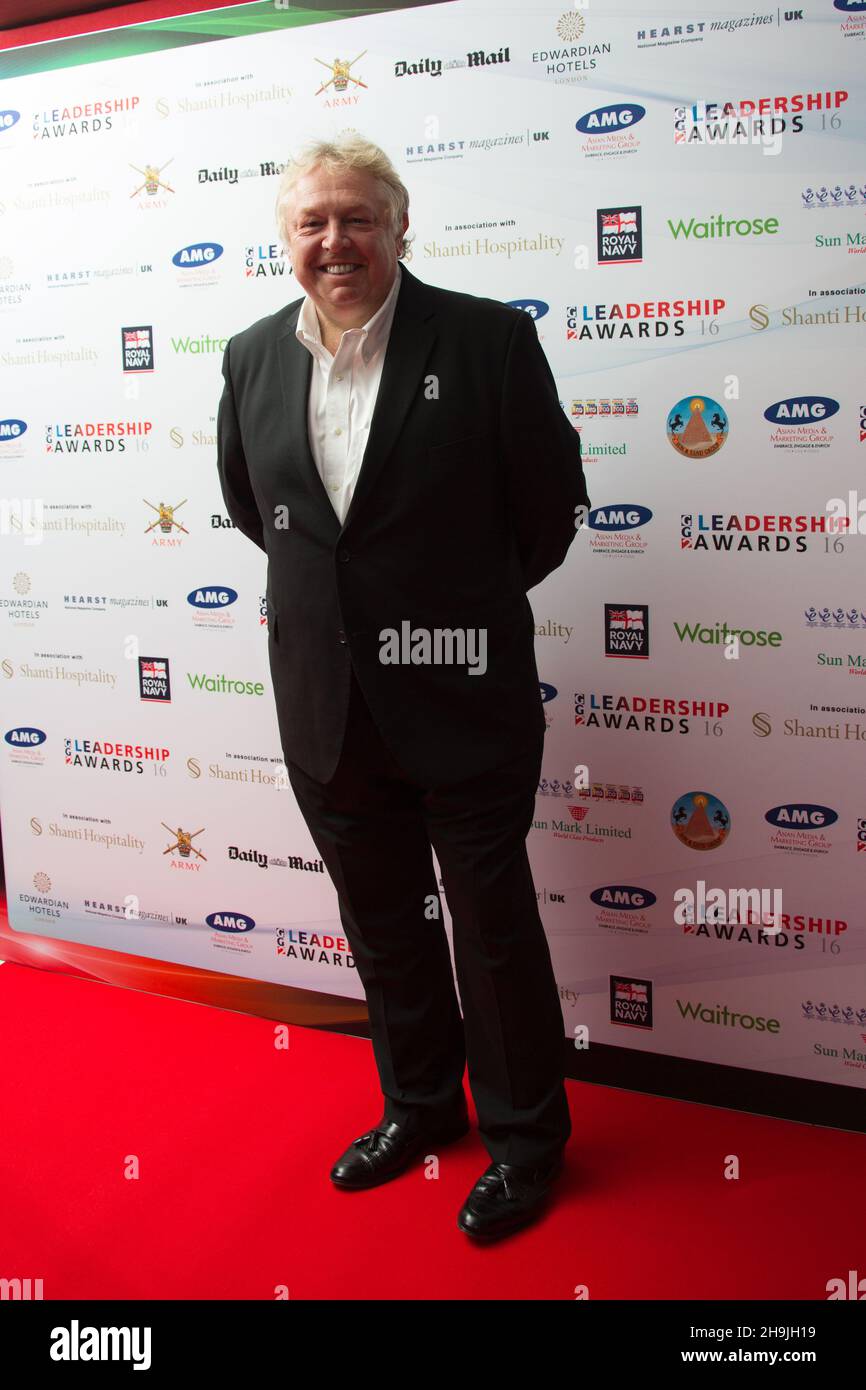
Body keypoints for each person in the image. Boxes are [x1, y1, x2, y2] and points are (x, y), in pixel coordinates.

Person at [216, 133, 589, 1242]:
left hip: (461, 695)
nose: (336, 241)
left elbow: (544, 511)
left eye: (357, 218)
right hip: (327, 704)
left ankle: (525, 1143)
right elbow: (262, 512)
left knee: (490, 928)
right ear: (287, 240)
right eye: (312, 223)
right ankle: (420, 1107)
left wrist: (443, 611)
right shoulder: (249, 355)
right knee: (381, 924)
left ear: (399, 224)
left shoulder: (484, 339)